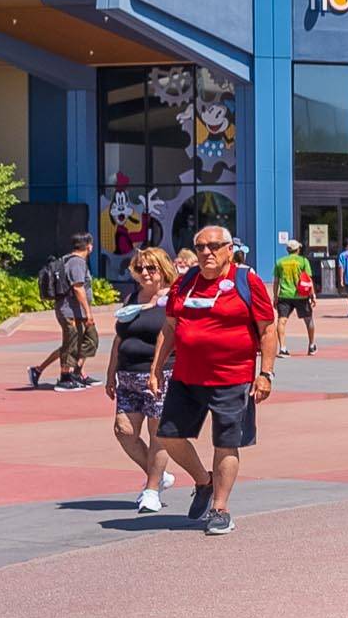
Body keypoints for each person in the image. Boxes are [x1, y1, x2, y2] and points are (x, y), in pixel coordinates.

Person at [147, 224, 278, 535]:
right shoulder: (186, 282)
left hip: (232, 378)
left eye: (214, 246)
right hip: (186, 378)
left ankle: (220, 508)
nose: (207, 252)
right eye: (201, 247)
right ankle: (204, 482)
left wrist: (266, 373)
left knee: (226, 442)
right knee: (168, 437)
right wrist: (156, 368)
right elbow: (169, 328)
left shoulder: (247, 281)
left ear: (229, 250)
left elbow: (268, 330)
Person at [109, 247, 179, 510]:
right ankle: (159, 475)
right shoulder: (132, 297)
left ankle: (151, 490)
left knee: (157, 434)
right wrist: (110, 374)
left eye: (152, 268)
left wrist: (155, 371)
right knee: (123, 430)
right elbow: (119, 338)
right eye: (140, 268)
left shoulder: (172, 297)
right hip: (127, 376)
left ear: (163, 269)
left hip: (161, 374)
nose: (146, 273)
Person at [31, 230, 99, 390]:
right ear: (89, 246)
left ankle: (74, 372)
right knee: (71, 345)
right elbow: (78, 288)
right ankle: (65, 377)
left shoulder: (72, 260)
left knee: (86, 341)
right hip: (70, 311)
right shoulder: (77, 262)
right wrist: (88, 312)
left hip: (75, 311)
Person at [270, 236, 318, 358]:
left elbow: (276, 281)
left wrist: (275, 296)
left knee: (282, 320)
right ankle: (312, 345)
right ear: (297, 249)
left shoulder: (280, 262)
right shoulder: (303, 261)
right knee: (308, 320)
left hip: (284, 295)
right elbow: (308, 279)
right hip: (301, 295)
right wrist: (312, 294)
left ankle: (283, 348)